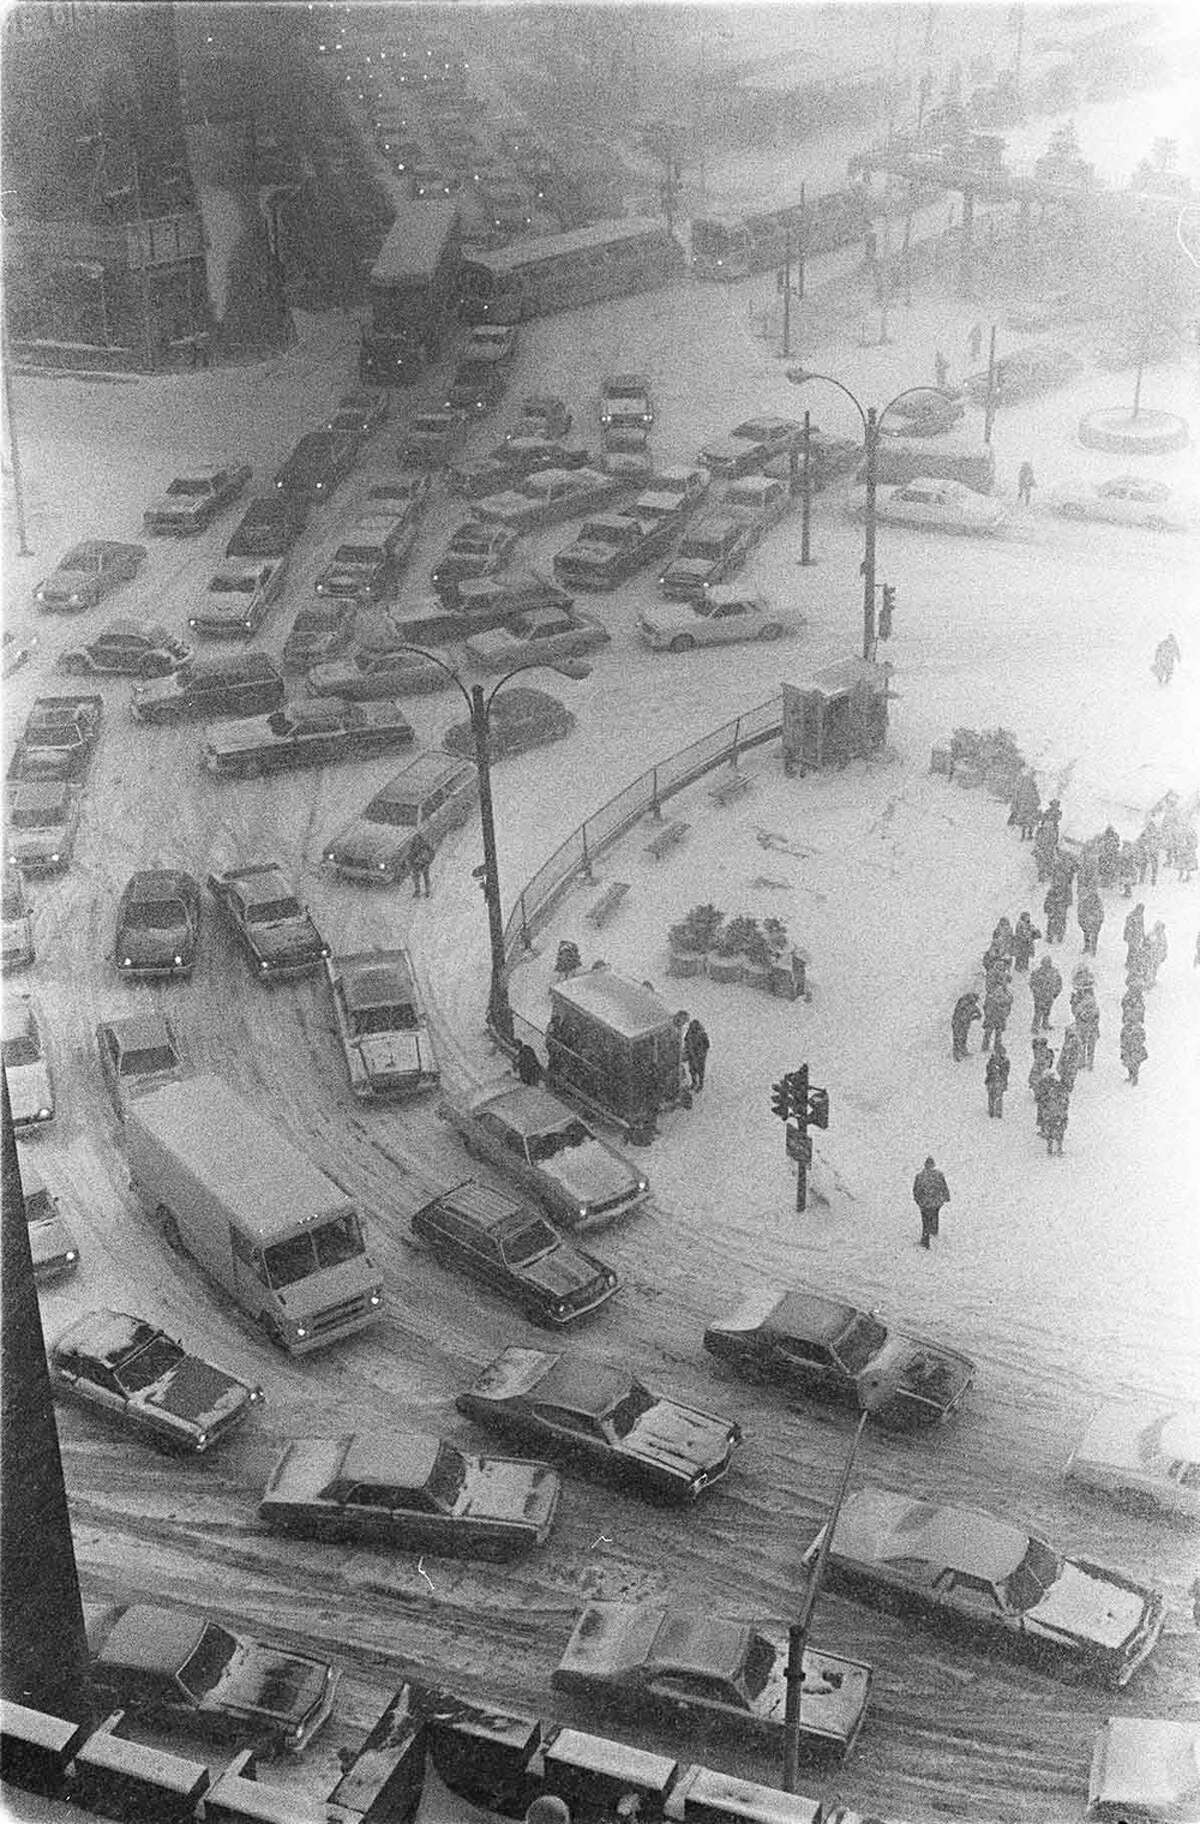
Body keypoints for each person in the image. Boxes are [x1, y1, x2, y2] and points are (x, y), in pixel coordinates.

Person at [912, 1156, 950, 1249]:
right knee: (934, 1217)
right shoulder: (939, 1175)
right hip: (936, 1202)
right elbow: (943, 1187)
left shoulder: (920, 1176)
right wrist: (946, 1197)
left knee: (925, 1221)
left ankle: (925, 1239)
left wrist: (918, 1200)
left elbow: (916, 1189)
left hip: (924, 1203)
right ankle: (934, 1235)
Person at [1029, 955, 1062, 1030]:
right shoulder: (1037, 972)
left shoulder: (1054, 972)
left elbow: (1059, 983)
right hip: (1039, 996)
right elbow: (1032, 983)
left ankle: (1045, 1023)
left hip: (1049, 996)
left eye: (1048, 963)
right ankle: (1035, 1026)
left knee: (1047, 1011)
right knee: (1038, 1012)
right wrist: (1035, 992)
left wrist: (1056, 993)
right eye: (1045, 963)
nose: (1046, 965)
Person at [981, 979, 1012, 1052]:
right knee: (991, 1032)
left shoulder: (1006, 993)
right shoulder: (993, 993)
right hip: (993, 1015)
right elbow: (987, 1004)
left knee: (996, 1032)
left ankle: (993, 1046)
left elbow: (1009, 1001)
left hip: (998, 1016)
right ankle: (988, 1046)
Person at [1073, 987, 1100, 1069]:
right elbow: (1097, 1019)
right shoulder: (1095, 1008)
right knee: (1091, 1047)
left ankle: (1082, 1062)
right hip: (1091, 1029)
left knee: (1082, 1045)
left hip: (1083, 1029)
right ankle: (1089, 1063)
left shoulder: (1080, 1006)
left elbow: (1077, 1016)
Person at [1042, 1074, 1069, 1154]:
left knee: (1050, 1130)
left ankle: (1050, 1147)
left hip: (1051, 1114)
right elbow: (1066, 1103)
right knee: (1060, 1131)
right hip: (1059, 1115)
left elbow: (1044, 1102)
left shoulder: (1049, 1090)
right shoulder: (1063, 1092)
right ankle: (1059, 1147)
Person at [951, 990, 981, 1060]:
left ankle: (963, 1051)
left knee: (963, 1037)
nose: (975, 1002)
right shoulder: (963, 1005)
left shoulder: (970, 1005)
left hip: (964, 1024)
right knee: (957, 1038)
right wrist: (973, 1016)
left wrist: (975, 1015)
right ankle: (956, 1054)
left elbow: (977, 1013)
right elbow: (964, 1016)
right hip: (958, 1023)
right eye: (975, 1001)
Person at [683, 1017, 710, 1091]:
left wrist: (701, 1053)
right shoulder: (689, 1033)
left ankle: (700, 1084)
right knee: (692, 1070)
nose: (692, 1028)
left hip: (699, 1056)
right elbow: (686, 1041)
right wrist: (686, 1050)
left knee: (700, 1070)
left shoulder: (702, 1034)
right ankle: (694, 1083)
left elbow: (707, 1045)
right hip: (691, 1054)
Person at [1077, 884, 1104, 956]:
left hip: (1093, 922)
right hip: (1090, 922)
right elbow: (1081, 911)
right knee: (1088, 935)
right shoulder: (1087, 901)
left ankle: (1091, 949)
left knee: (1092, 936)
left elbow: (1100, 913)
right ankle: (1089, 948)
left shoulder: (1092, 902)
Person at [985, 1040, 1009, 1118]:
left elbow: (1006, 1072)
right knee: (991, 1095)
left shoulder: (1005, 1061)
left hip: (999, 1081)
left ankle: (998, 1111)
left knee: (998, 1096)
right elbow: (988, 1070)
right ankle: (991, 1110)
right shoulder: (992, 1060)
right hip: (992, 1080)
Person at [1057, 1023, 1083, 1090]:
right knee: (1067, 1072)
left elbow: (1076, 1056)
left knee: (1069, 1072)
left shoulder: (1075, 1043)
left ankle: (1068, 1084)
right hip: (1067, 1063)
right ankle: (1066, 1082)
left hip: (1070, 1063)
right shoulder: (1068, 1043)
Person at [1120, 1019, 1147, 1085]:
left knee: (1135, 1063)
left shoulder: (1139, 1030)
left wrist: (1137, 1044)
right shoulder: (1125, 1029)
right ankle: (1131, 1076)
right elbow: (1122, 1038)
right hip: (1128, 1048)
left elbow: (1142, 1038)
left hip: (1135, 1049)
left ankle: (1135, 1077)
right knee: (1128, 1062)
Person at [408, 830, 434, 898]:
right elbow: (411, 854)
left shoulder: (424, 844)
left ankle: (427, 891)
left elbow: (431, 852)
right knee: (417, 878)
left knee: (425, 877)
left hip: (424, 863)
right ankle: (418, 890)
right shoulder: (414, 845)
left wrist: (429, 861)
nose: (417, 840)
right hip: (417, 863)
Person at [1123, 902, 1146, 967]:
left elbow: (1142, 926)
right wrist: (1126, 935)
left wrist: (1143, 935)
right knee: (1132, 950)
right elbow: (1127, 927)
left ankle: (1130, 962)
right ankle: (1129, 963)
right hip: (1132, 936)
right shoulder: (1131, 916)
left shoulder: (1140, 916)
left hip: (1136, 936)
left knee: (1134, 950)